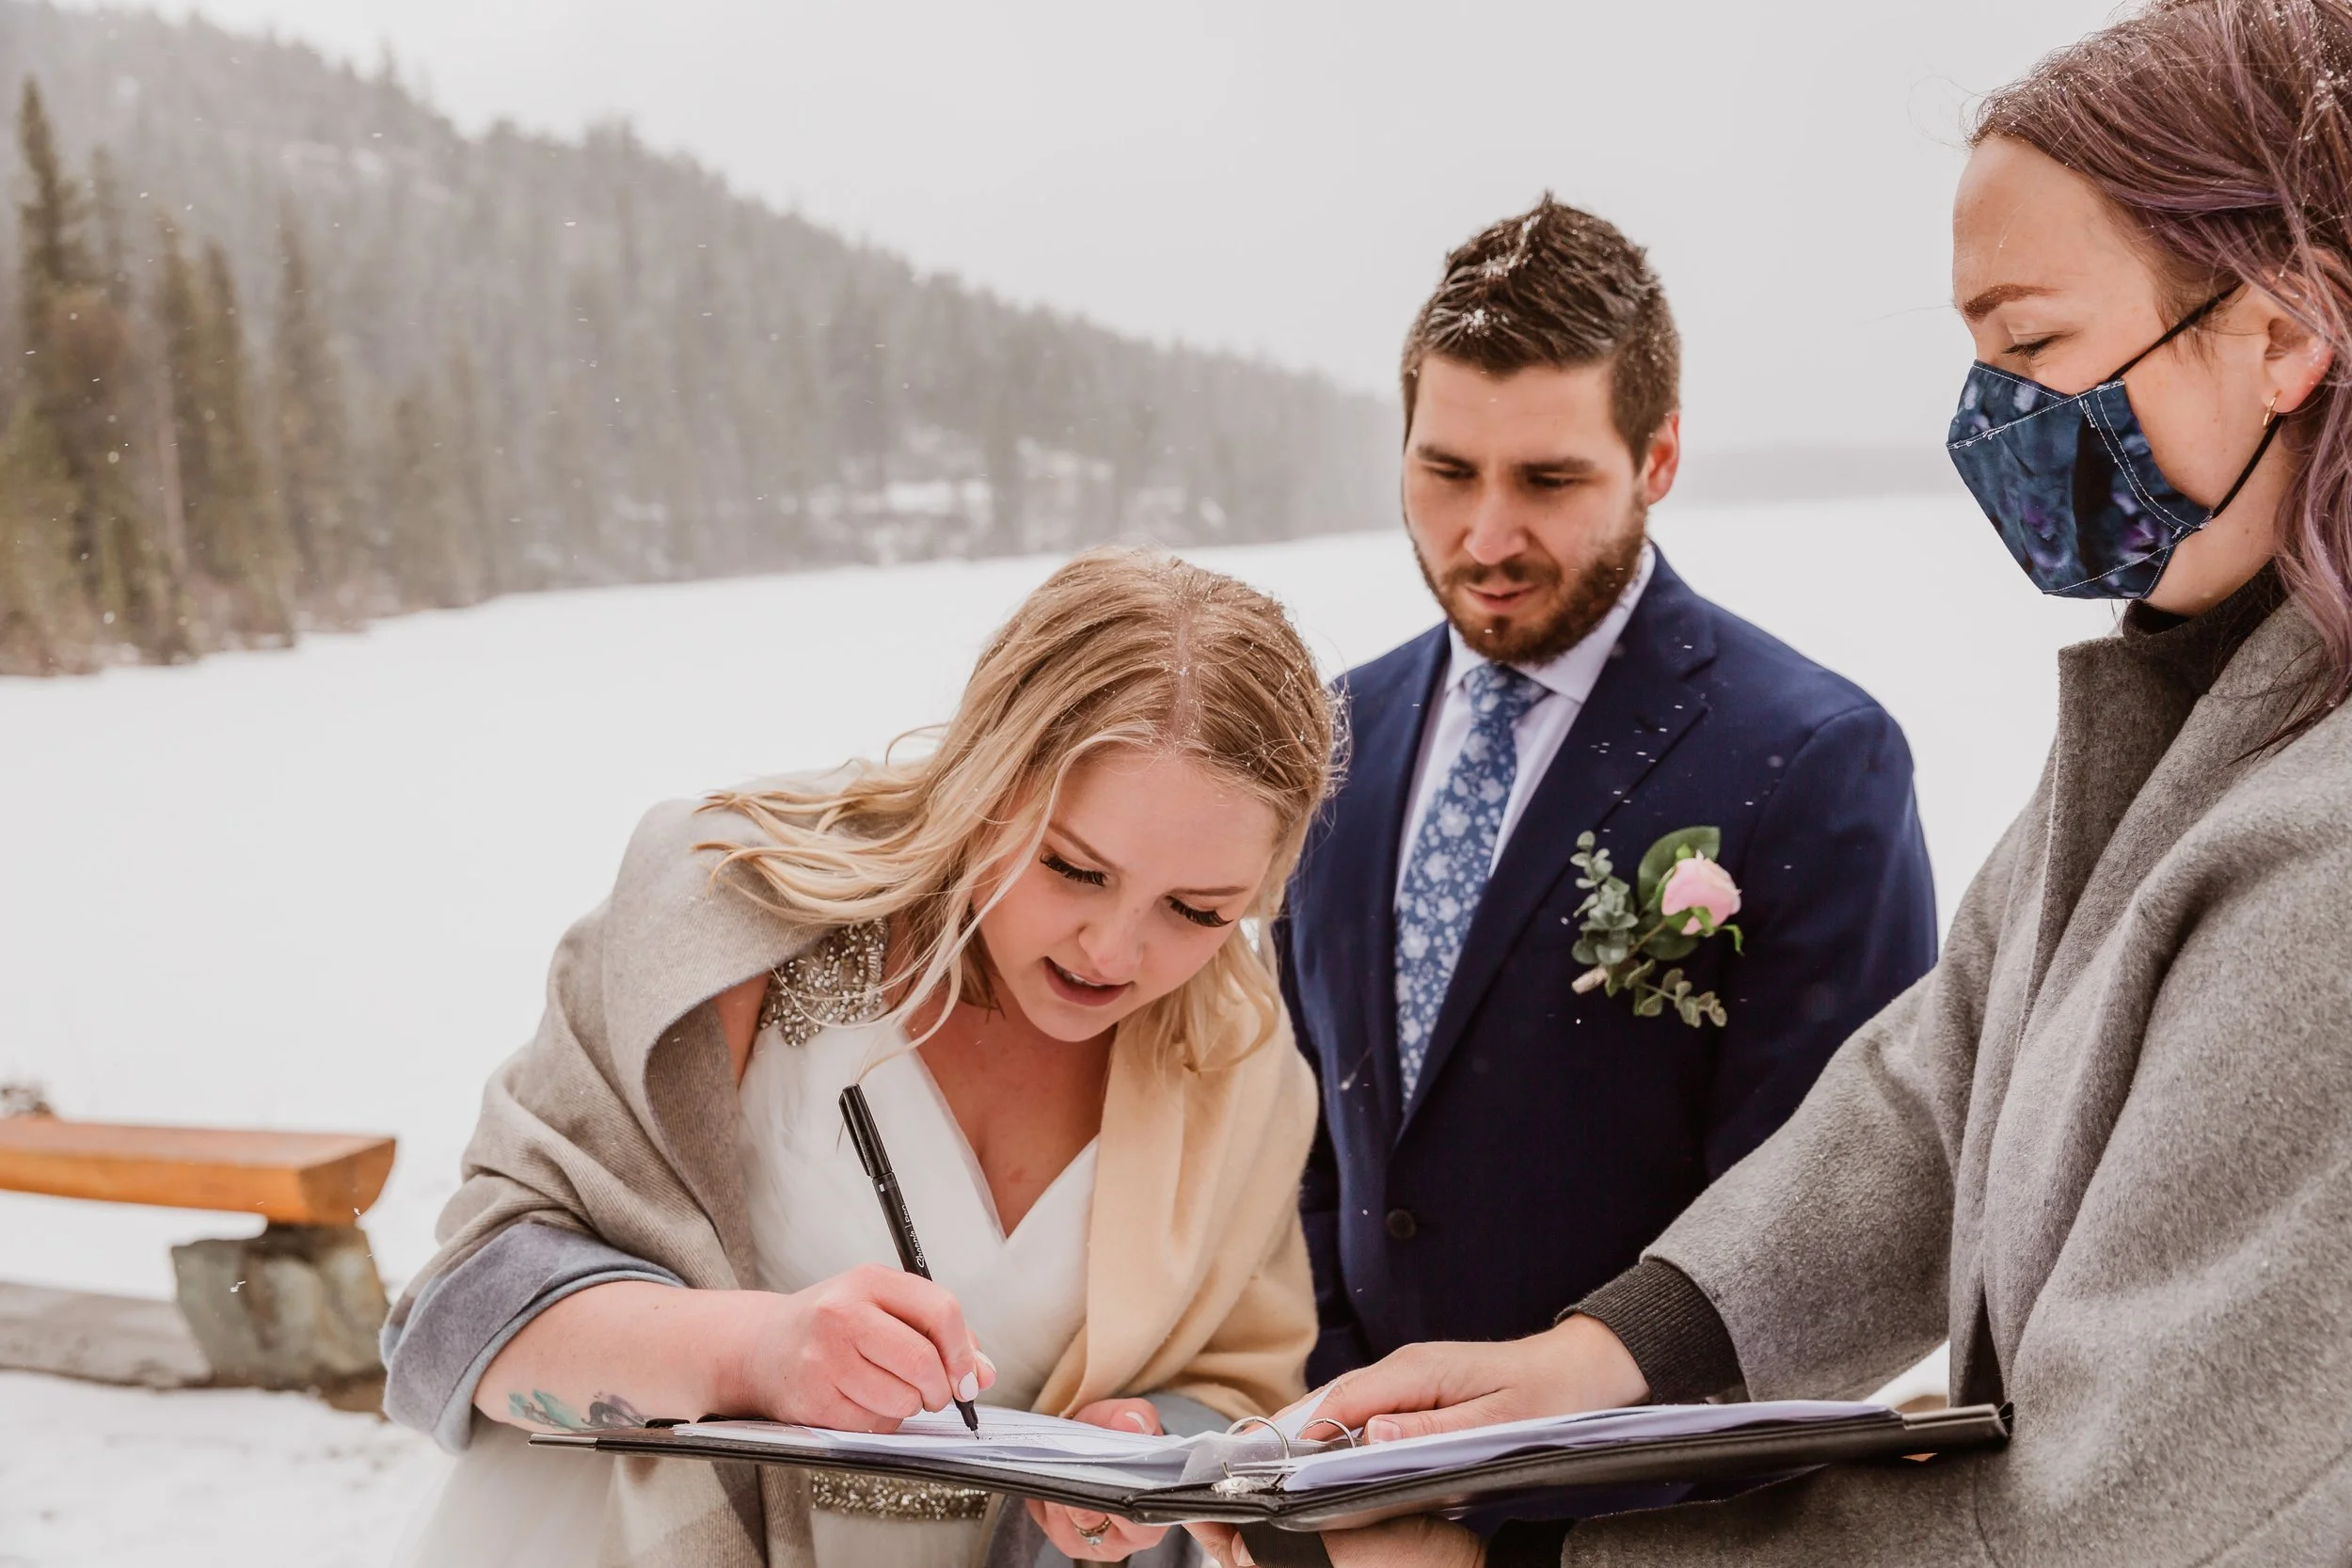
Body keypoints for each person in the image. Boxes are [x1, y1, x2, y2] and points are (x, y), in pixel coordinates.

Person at [1202, 2, 2352, 1564]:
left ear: (2283, 332)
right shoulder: (2169, 723)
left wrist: (1548, 1553)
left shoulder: (2314, 848)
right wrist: (1601, 1355)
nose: (1990, 420)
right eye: (1976, 358)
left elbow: (2113, 1512)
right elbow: (1933, 1093)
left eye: (2031, 347)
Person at [379, 546, 1337, 1568]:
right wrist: (753, 1352)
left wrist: (1145, 1443)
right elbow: (462, 1315)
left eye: (1198, 910)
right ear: (987, 773)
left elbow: (1242, 1386)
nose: (1113, 950)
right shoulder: (727, 910)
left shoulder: (1238, 1061)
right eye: (1072, 867)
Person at [1282, 197, 1938, 1386]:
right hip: (1348, 1453)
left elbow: (1829, 1219)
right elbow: (1302, 1130)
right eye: (1445, 471)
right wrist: (1341, 1405)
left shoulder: (1815, 758)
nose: (1486, 536)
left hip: (1641, 1471)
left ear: (1659, 458)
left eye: (1548, 479)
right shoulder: (1330, 733)